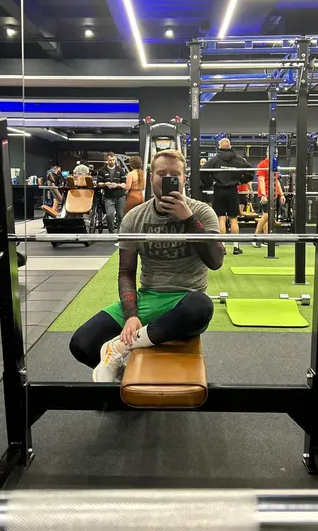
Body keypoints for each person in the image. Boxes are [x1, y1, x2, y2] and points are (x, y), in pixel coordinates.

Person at [69, 149, 223, 382]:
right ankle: (128, 377)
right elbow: (126, 272)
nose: (168, 178)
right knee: (82, 343)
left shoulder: (202, 212)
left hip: (185, 301)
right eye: (162, 173)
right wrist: (131, 315)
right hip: (148, 298)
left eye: (175, 174)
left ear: (184, 178)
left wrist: (189, 219)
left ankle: (121, 347)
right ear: (151, 178)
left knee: (202, 306)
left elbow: (216, 261)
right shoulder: (134, 218)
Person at [201, 138, 253, 255]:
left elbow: (203, 171)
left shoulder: (215, 159)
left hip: (219, 190)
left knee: (221, 218)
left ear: (219, 146)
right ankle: (236, 247)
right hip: (232, 190)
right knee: (233, 219)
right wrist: (240, 181)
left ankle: (222, 247)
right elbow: (250, 172)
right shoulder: (239, 160)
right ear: (230, 146)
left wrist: (209, 182)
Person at [253, 149, 286, 247]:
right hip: (265, 194)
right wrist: (263, 195)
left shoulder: (274, 164)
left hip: (273, 194)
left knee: (269, 217)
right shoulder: (262, 164)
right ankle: (255, 238)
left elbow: (276, 180)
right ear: (267, 153)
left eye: (276, 153)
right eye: (272, 152)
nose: (274, 154)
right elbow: (261, 180)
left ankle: (266, 239)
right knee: (266, 216)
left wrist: (281, 194)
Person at [97, 152, 127, 233]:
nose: (112, 162)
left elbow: (124, 184)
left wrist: (117, 185)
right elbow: (99, 183)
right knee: (110, 215)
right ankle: (111, 233)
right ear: (107, 160)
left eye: (113, 160)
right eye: (110, 160)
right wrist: (105, 184)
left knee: (121, 216)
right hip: (108, 196)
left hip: (120, 196)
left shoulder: (120, 170)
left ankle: (120, 233)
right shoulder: (102, 170)